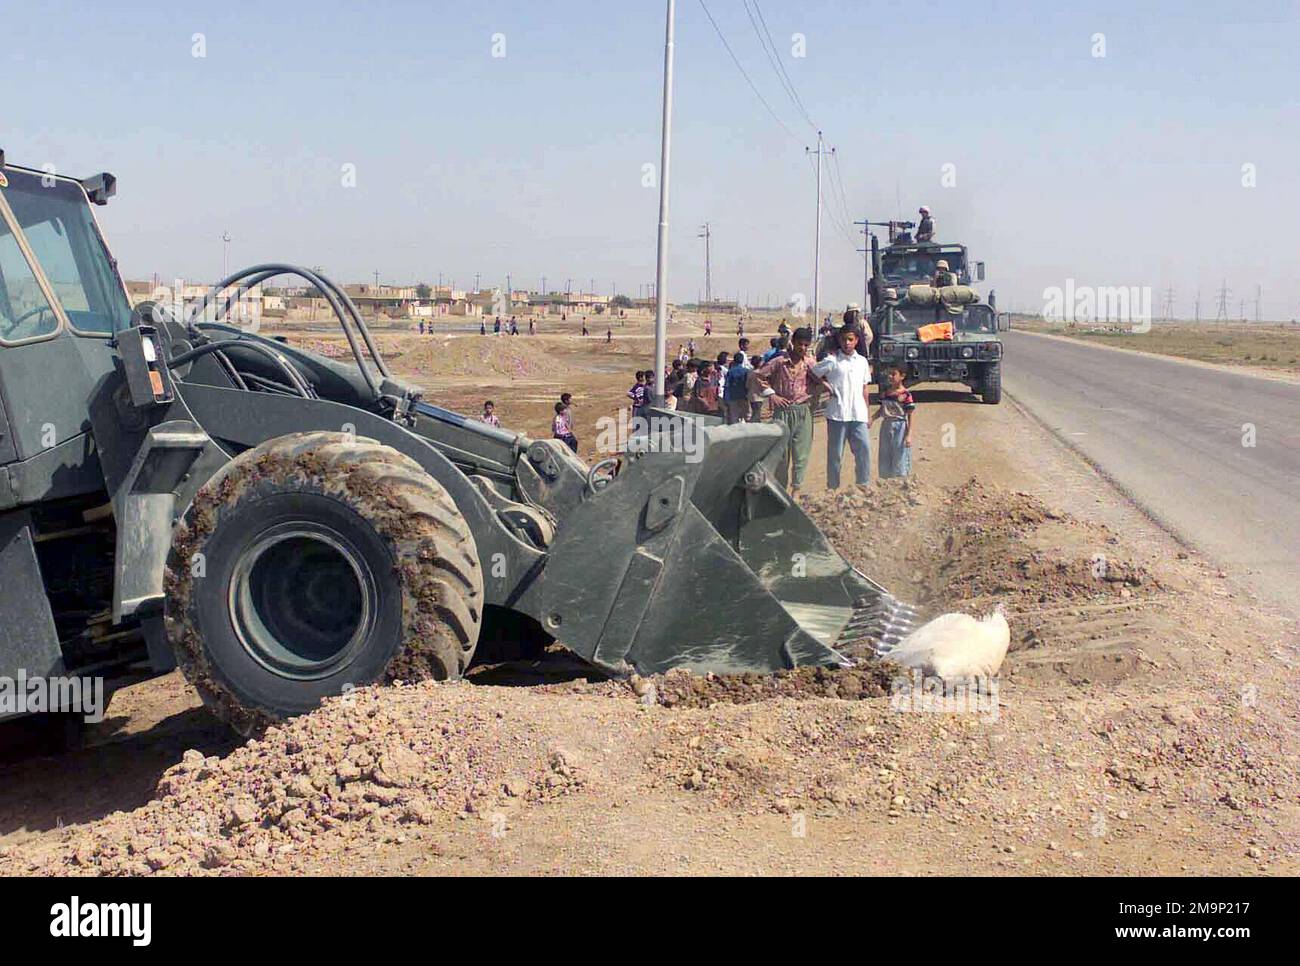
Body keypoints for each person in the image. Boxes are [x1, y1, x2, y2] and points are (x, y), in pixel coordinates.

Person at [748, 327, 823, 495]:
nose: (802, 348)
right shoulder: (779, 362)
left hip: (803, 411)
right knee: (781, 455)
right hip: (782, 411)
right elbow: (757, 376)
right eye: (799, 344)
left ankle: (796, 491)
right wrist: (772, 395)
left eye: (806, 345)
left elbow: (823, 380)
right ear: (793, 343)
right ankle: (779, 491)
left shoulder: (810, 364)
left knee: (801, 454)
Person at [812, 327, 873, 489]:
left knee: (864, 450)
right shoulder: (832, 361)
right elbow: (812, 372)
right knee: (835, 455)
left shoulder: (862, 362)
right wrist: (826, 385)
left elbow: (864, 389)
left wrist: (868, 414)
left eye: (850, 339)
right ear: (839, 341)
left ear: (856, 341)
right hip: (837, 414)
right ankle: (833, 488)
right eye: (844, 339)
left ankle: (863, 485)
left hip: (858, 414)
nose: (847, 343)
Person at [878, 365, 915, 477]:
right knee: (885, 454)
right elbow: (882, 409)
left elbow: (910, 416)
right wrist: (871, 419)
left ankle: (900, 482)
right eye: (889, 374)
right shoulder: (885, 393)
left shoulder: (905, 395)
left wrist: (909, 435)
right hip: (886, 426)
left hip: (900, 426)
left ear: (902, 376)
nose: (890, 376)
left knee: (900, 454)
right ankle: (885, 482)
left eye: (893, 374)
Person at [723, 350, 752, 423]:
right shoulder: (746, 371)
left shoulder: (730, 371)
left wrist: (725, 397)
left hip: (733, 396)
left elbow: (727, 385)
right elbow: (749, 384)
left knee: (734, 416)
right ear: (742, 360)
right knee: (746, 415)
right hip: (744, 395)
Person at [748, 355, 767, 421]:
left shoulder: (749, 372)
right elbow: (763, 384)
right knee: (757, 413)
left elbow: (747, 384)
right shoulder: (760, 373)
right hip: (758, 396)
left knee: (755, 411)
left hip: (751, 395)